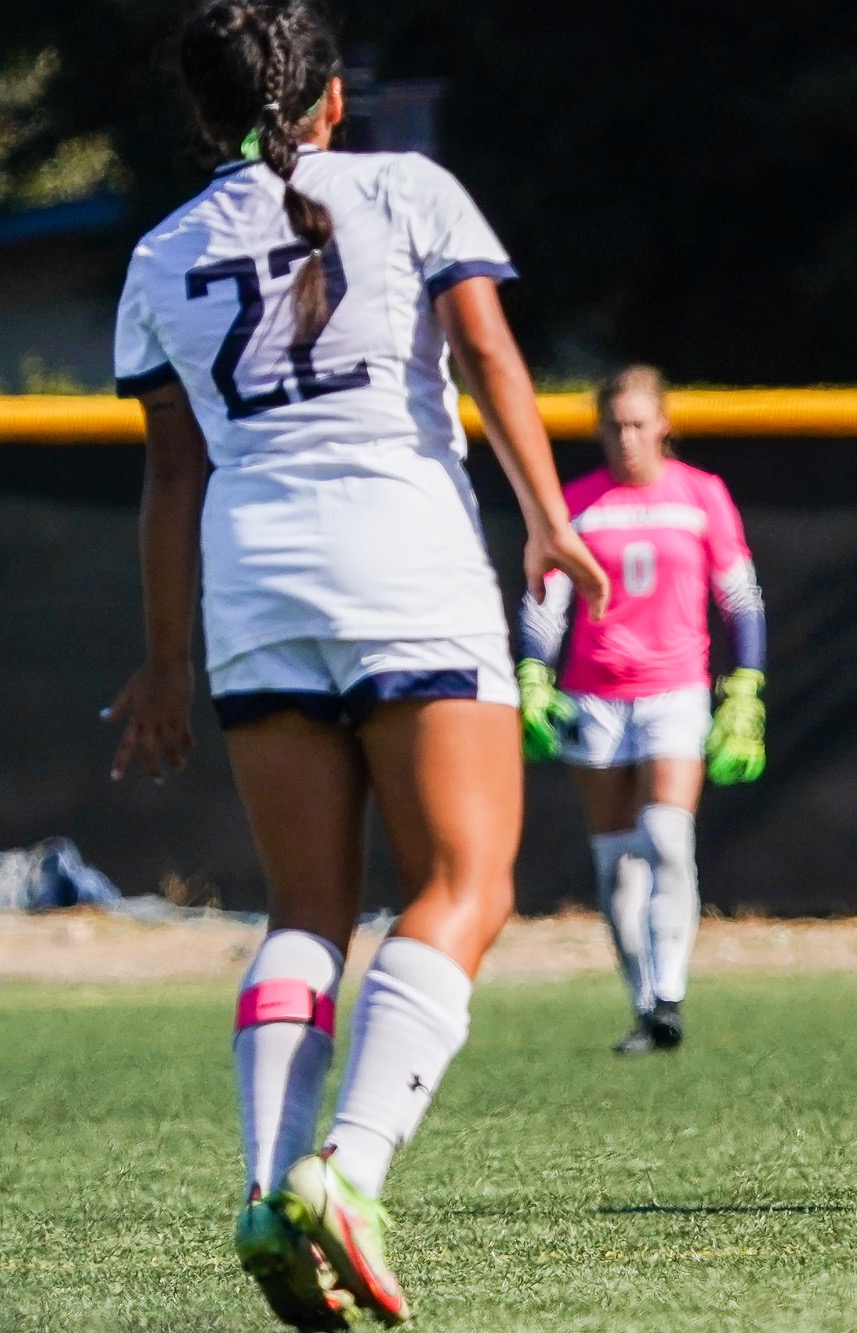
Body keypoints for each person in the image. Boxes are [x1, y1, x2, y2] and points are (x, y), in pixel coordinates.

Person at [105, 3, 608, 1325]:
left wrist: (164, 664)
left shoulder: (160, 253)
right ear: (329, 99)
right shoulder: (407, 188)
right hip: (407, 566)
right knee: (465, 884)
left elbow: (170, 476)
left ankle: (272, 1184)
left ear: (206, 117)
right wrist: (551, 517)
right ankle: (351, 1169)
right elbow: (492, 355)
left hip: (254, 585)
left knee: (304, 913)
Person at [516, 366, 767, 1054]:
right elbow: (545, 599)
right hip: (595, 694)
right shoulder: (578, 502)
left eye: (638, 423)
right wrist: (534, 675)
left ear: (663, 424)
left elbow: (740, 596)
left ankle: (672, 994)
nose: (627, 438)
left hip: (674, 688)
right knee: (616, 864)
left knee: (666, 840)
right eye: (614, 425)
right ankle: (642, 1006)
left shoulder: (701, 495)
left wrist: (745, 685)